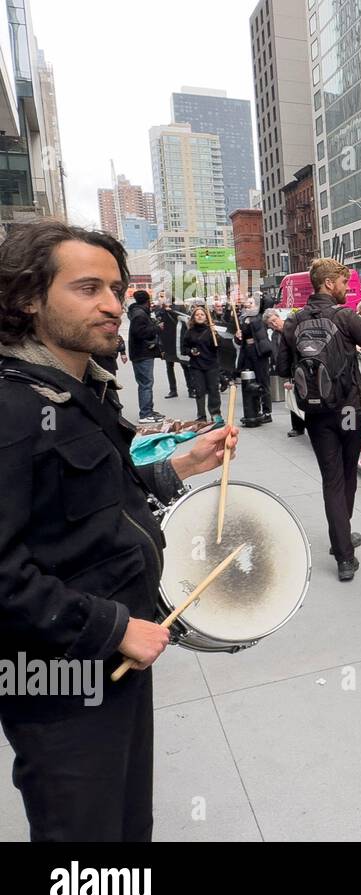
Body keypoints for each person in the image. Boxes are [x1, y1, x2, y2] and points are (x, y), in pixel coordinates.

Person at [0, 220, 239, 841]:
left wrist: (180, 466)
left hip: (121, 656)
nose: (112, 305)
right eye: (87, 288)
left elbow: (91, 498)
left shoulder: (78, 389)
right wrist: (110, 629)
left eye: (116, 287)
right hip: (57, 680)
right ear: (28, 298)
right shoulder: (12, 409)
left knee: (128, 830)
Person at [269, 260, 361, 581]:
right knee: (347, 474)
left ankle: (343, 546)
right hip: (350, 410)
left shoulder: (293, 322)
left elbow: (281, 368)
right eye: (344, 283)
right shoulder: (345, 317)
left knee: (331, 479)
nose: (347, 289)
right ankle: (343, 547)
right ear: (329, 282)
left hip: (315, 413)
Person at [236, 299, 274, 427]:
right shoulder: (242, 319)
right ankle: (255, 409)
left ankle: (267, 412)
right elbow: (239, 340)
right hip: (247, 352)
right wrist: (238, 336)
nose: (248, 305)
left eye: (251, 303)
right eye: (247, 304)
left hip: (259, 353)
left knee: (263, 381)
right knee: (250, 382)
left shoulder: (259, 317)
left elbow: (267, 302)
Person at [125, 290, 163, 422]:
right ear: (148, 300)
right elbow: (140, 333)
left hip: (142, 353)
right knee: (146, 384)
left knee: (146, 383)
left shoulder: (138, 312)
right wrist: (157, 328)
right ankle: (145, 413)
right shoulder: (140, 314)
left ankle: (149, 410)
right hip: (142, 354)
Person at [183, 305, 224, 423]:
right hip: (196, 365)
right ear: (193, 317)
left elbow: (219, 346)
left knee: (213, 390)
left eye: (202, 314)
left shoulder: (211, 330)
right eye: (197, 315)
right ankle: (201, 415)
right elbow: (184, 348)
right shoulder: (190, 332)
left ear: (206, 317)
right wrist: (191, 351)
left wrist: (215, 336)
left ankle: (215, 413)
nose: (199, 316)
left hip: (211, 364)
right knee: (199, 391)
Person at [156, 293, 187, 399]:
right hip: (167, 342)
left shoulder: (180, 308)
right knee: (169, 366)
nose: (161, 299)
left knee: (185, 365)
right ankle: (173, 390)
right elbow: (158, 321)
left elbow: (184, 320)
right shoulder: (160, 310)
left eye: (162, 297)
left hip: (178, 340)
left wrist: (171, 311)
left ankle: (191, 389)